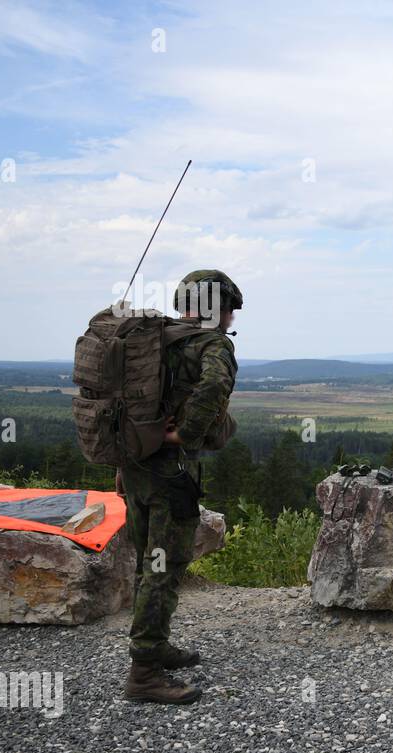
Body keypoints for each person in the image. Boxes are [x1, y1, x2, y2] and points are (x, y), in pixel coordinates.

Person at [120, 270, 241, 705]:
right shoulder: (211, 344)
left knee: (147, 563)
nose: (230, 319)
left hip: (133, 467)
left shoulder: (155, 338)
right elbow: (214, 384)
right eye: (228, 310)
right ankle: (145, 673)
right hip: (168, 472)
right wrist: (185, 435)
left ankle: (155, 646)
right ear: (218, 307)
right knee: (163, 566)